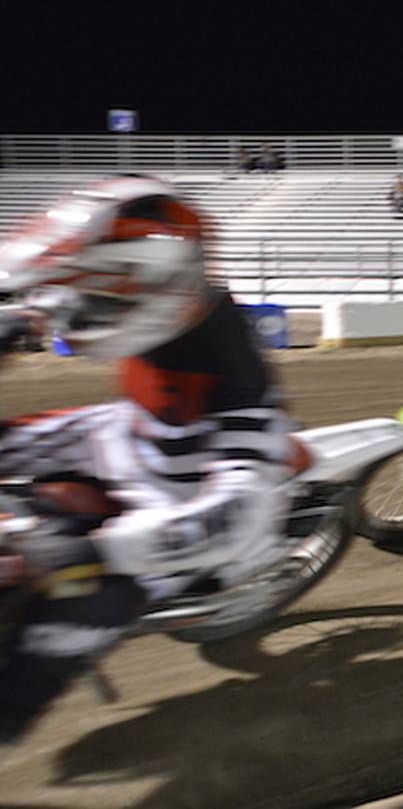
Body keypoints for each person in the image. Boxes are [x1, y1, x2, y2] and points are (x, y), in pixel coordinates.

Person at [0, 176, 293, 743]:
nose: (67, 318)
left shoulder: (236, 376)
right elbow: (59, 294)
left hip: (177, 494)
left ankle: (12, 711)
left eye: (87, 305)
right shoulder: (162, 296)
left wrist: (94, 549)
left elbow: (242, 513)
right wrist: (19, 322)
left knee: (85, 601)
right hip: (121, 431)